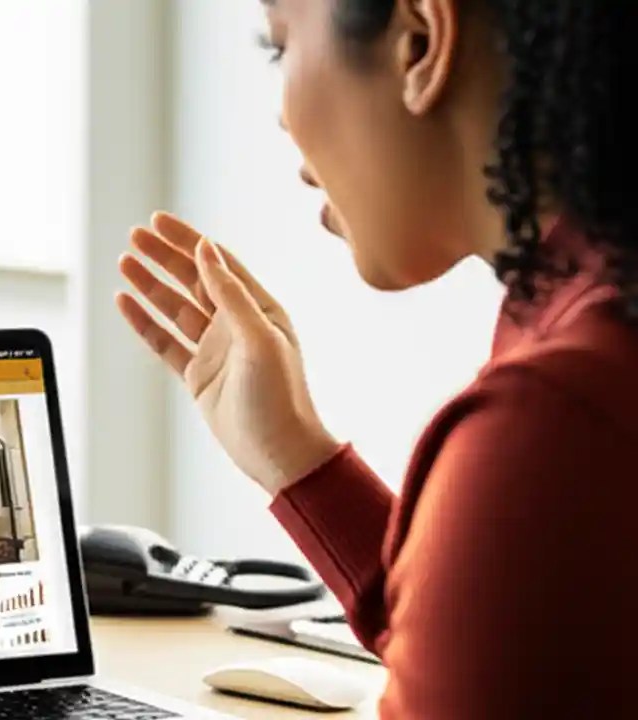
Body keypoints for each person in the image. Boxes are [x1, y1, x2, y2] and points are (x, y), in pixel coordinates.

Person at [118, 1, 636, 717]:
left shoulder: (553, 419)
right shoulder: (586, 327)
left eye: (279, 47)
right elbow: (504, 655)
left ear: (420, 41)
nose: (280, 118)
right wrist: (298, 461)